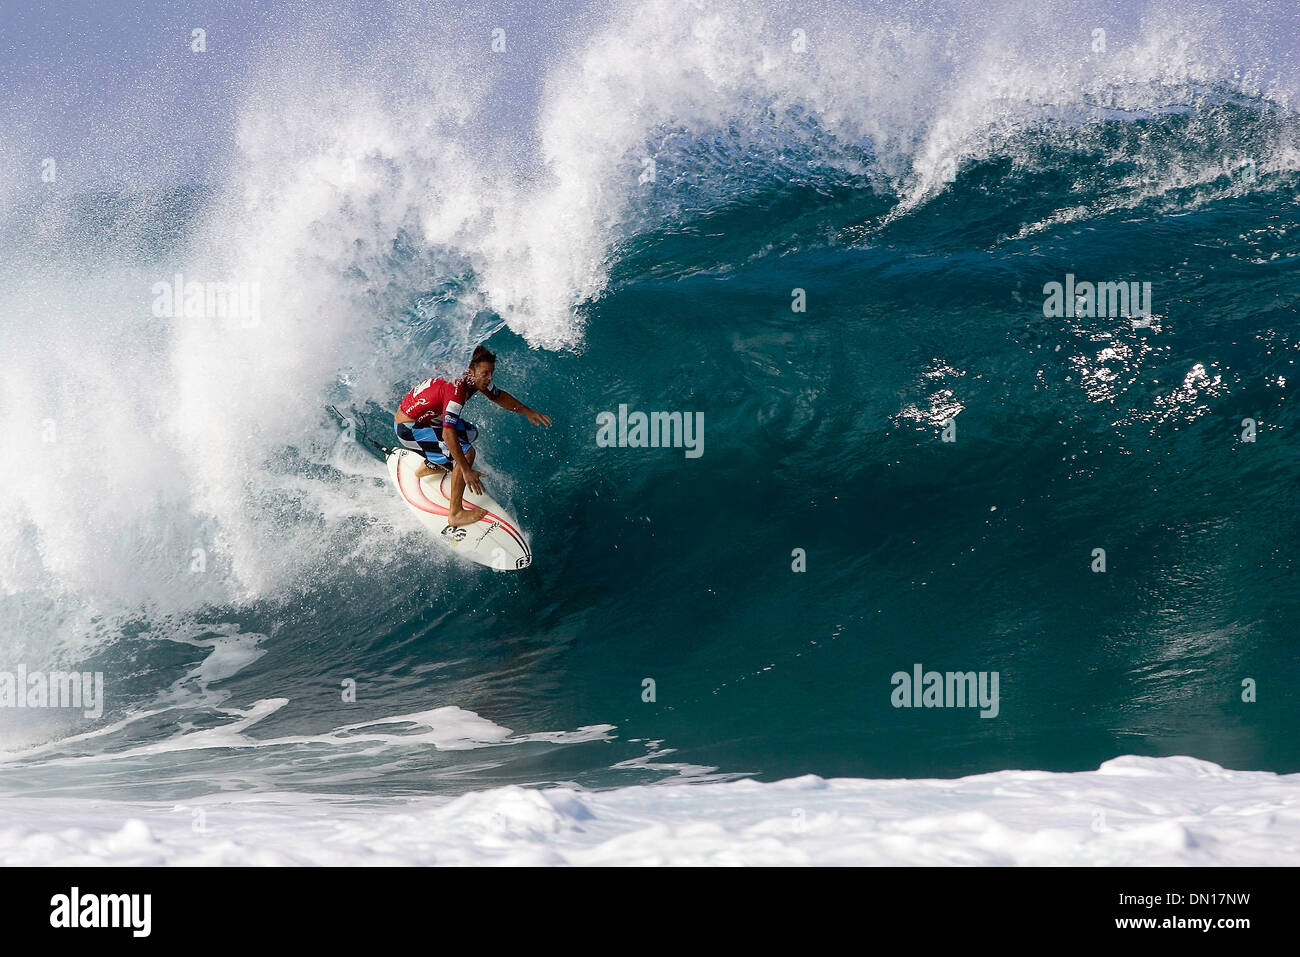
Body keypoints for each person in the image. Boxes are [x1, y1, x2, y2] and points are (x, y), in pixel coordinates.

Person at [393, 345, 552, 526]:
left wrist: (526, 411)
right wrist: (466, 470)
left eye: (491, 373)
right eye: (485, 373)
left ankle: (432, 463)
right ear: (471, 372)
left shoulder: (473, 378)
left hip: (427, 418)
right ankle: (455, 513)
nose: (490, 378)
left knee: (470, 433)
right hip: (409, 428)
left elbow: (498, 396)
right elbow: (448, 433)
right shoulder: (457, 390)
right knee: (467, 453)